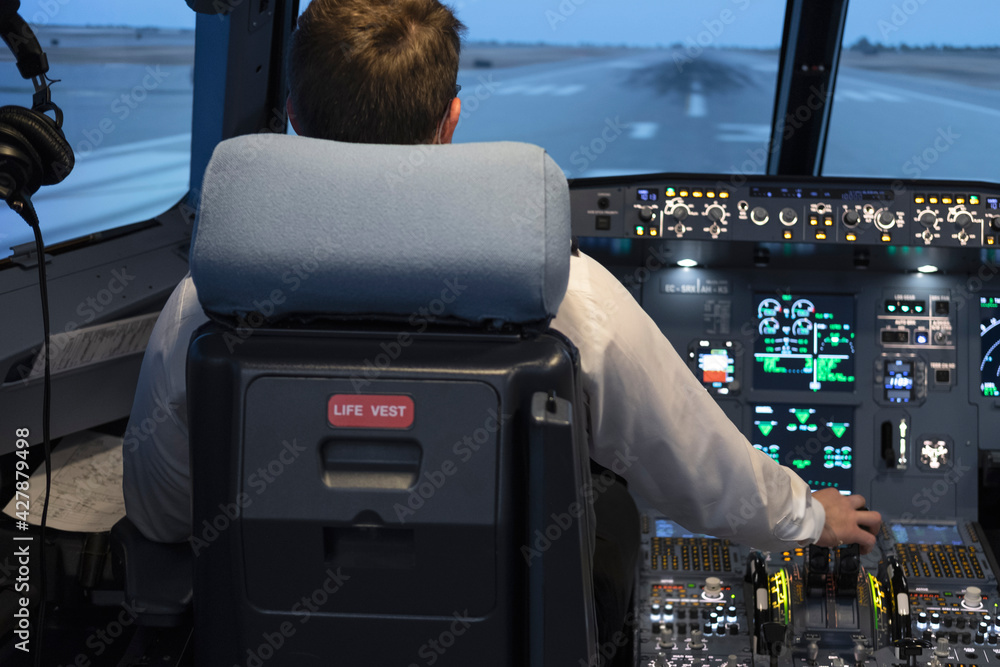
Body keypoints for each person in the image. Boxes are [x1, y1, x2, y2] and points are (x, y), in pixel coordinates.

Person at [123, 0, 881, 658]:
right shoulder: (553, 289)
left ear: (292, 113)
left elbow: (159, 508)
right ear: (451, 121)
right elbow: (690, 461)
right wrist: (807, 517)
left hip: (278, 638)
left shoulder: (208, 299)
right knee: (611, 494)